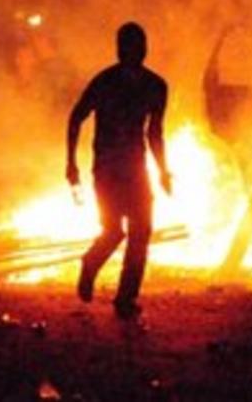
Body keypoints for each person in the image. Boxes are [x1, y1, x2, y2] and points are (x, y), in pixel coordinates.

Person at [66, 22, 171, 318]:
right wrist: (71, 164)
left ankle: (125, 298)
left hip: (136, 170)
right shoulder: (105, 82)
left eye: (140, 45)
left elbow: (155, 133)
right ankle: (90, 264)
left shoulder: (156, 86)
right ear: (119, 49)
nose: (135, 52)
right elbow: (76, 117)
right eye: (129, 45)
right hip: (108, 168)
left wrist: (163, 170)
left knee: (141, 231)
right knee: (113, 231)